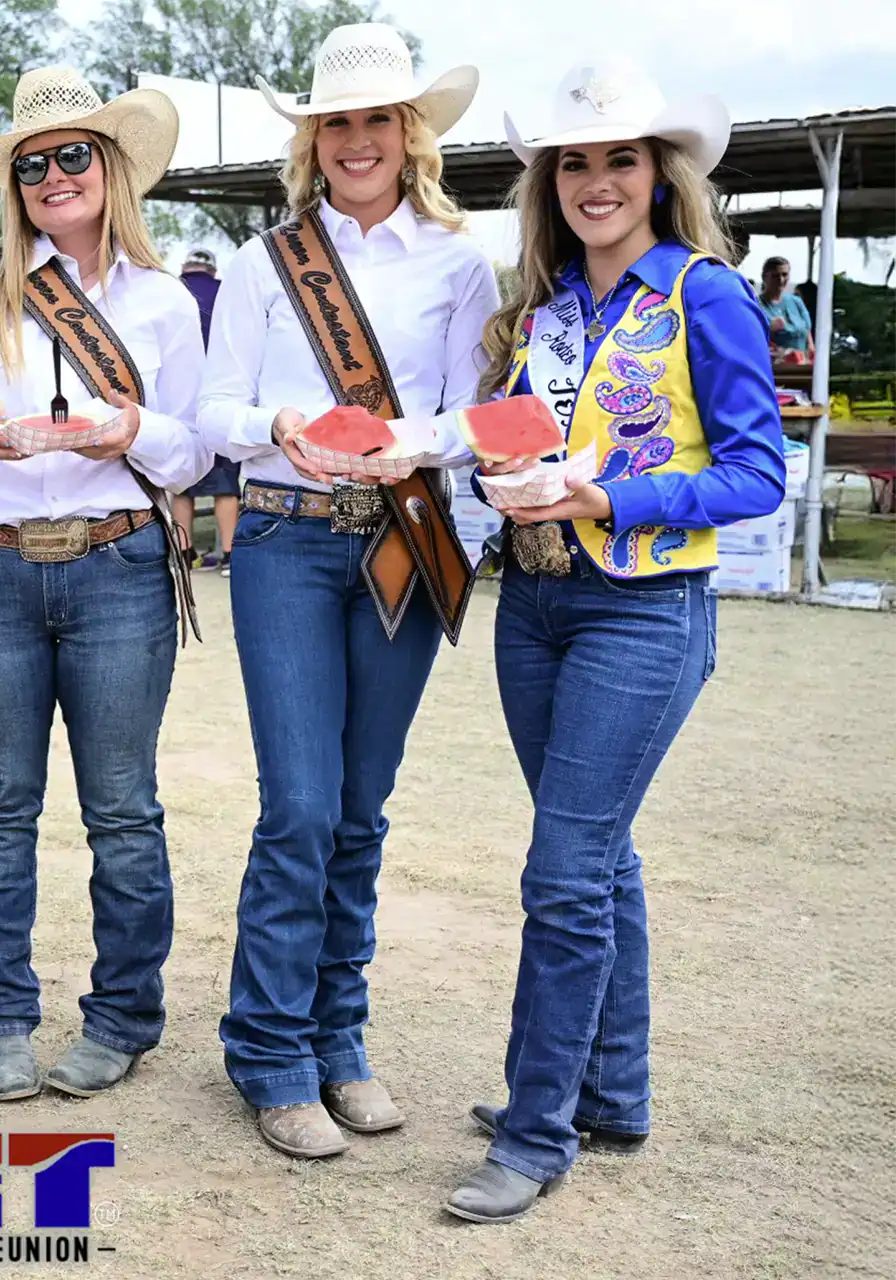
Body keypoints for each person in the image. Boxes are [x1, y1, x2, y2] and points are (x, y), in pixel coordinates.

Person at [445, 59, 785, 1224]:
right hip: (533, 607)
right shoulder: (540, 311)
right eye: (576, 161)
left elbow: (756, 474)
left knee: (564, 872)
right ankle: (614, 1093)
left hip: (644, 611)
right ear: (551, 181)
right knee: (599, 862)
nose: (596, 180)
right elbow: (525, 441)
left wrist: (609, 501)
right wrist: (506, 474)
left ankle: (537, 1131)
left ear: (659, 174)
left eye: (620, 159)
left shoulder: (706, 293)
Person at [197, 23, 498, 1159]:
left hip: (397, 547)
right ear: (312, 141)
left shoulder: (462, 261)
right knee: (302, 805)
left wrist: (412, 444)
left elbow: (472, 418)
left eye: (378, 120)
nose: (357, 140)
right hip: (281, 536)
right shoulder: (263, 261)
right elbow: (215, 414)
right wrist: (278, 423)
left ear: (408, 134)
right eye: (338, 123)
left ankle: (340, 1038)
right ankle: (268, 1050)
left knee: (362, 810)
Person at [0, 67, 209, 1102]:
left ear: (111, 168)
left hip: (118, 563)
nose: (51, 175)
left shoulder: (163, 301)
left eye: (73, 155)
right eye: (31, 164)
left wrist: (138, 431)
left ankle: (122, 1015)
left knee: (122, 810)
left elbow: (195, 453)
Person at [174, 248, 238, 574]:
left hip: (178, 400)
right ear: (212, 270)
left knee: (181, 483)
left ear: (185, 268)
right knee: (225, 483)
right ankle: (228, 555)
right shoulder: (226, 292)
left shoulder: (170, 291)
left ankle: (186, 555)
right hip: (220, 396)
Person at [759, 255, 814, 361]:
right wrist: (768, 327)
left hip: (802, 362)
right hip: (774, 365)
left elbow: (807, 330)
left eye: (784, 274)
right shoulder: (756, 304)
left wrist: (811, 349)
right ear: (764, 277)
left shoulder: (796, 301)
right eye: (775, 276)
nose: (781, 279)